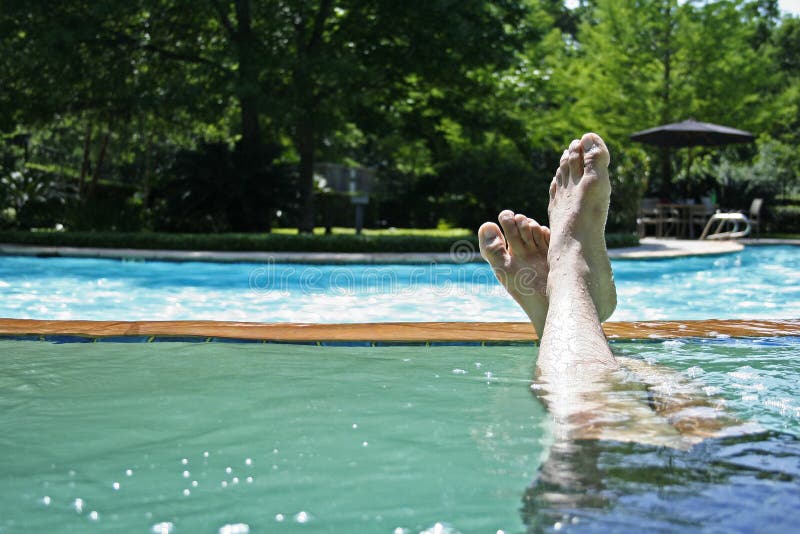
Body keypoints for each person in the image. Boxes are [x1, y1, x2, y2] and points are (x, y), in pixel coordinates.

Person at [477, 133, 746, 446]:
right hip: (761, 472)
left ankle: (566, 293)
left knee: (592, 420)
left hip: (608, 473)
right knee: (710, 430)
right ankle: (572, 299)